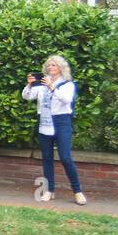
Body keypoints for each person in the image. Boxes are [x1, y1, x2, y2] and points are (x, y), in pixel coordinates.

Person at [23, 55, 86, 205]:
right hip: (44, 123)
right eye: (48, 65)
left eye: (54, 65)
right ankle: (49, 190)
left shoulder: (67, 84)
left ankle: (77, 191)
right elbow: (27, 96)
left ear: (61, 68)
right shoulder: (41, 85)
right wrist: (30, 85)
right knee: (47, 158)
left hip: (61, 122)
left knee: (65, 157)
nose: (50, 68)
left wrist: (51, 86)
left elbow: (66, 100)